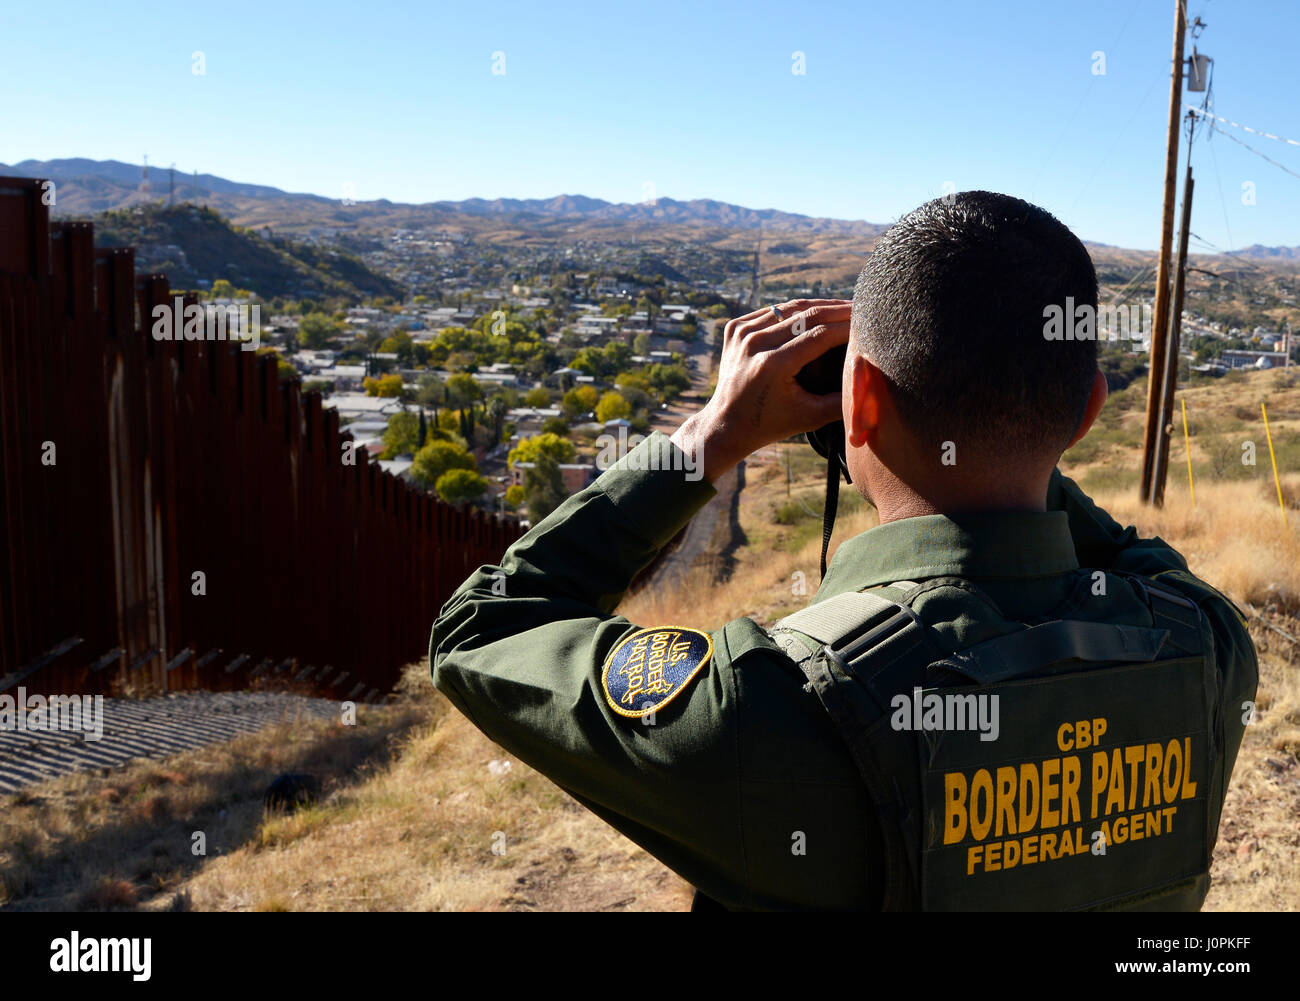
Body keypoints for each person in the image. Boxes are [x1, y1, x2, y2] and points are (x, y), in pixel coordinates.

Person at [430, 191, 1258, 910]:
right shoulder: (1208, 648)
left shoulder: (769, 709)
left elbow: (480, 628)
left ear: (859, 399)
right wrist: (966, 429)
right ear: (1087, 416)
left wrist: (707, 439)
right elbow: (1104, 542)